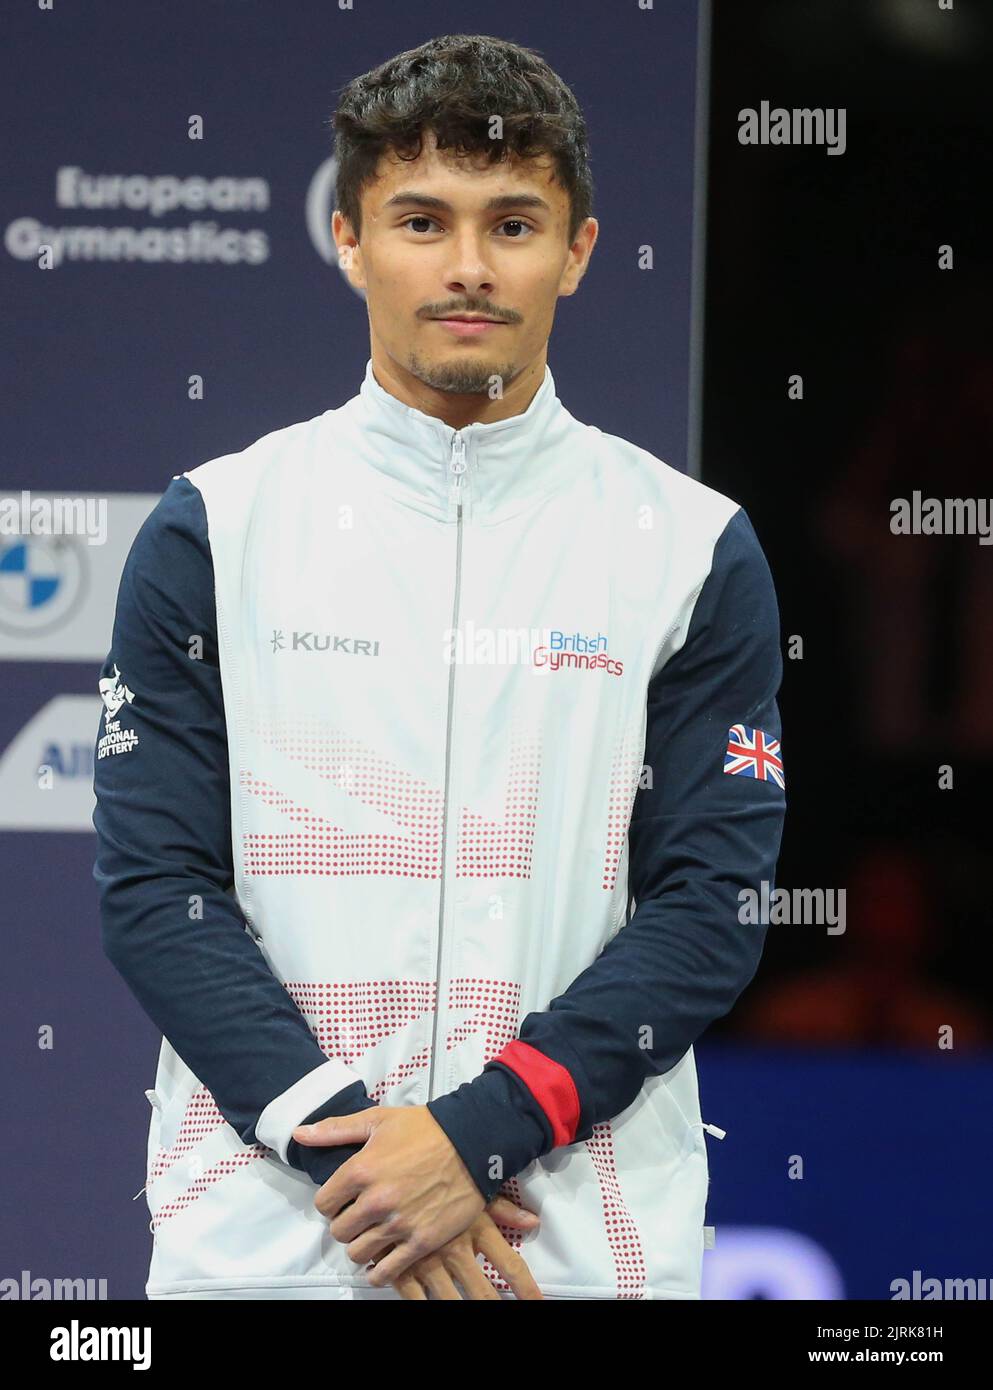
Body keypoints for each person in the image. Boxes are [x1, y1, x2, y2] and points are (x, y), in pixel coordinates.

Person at [92, 32, 786, 1301]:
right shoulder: (219, 524)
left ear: (578, 251)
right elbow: (157, 889)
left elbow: (710, 907)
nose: (468, 267)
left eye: (514, 223)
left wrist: (478, 1134)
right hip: (268, 1248)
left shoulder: (688, 545)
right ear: (349, 238)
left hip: (572, 1248)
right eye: (422, 219)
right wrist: (361, 1157)